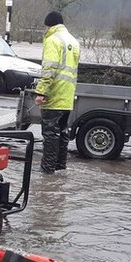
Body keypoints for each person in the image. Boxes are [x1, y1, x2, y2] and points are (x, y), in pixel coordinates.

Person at [34, 11, 80, 175]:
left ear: (49, 25)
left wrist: (41, 92)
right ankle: (60, 167)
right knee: (62, 133)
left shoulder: (53, 40)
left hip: (54, 95)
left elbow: (49, 68)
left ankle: (47, 170)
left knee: (50, 134)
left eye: (45, 27)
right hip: (67, 97)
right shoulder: (74, 42)